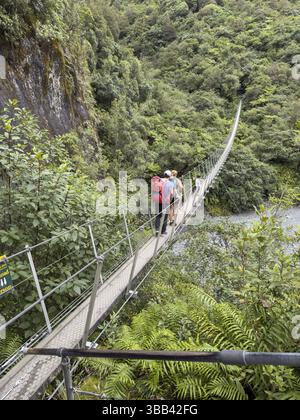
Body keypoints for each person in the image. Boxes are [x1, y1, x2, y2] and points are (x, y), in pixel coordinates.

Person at [152, 170, 174, 236]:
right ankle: (163, 231)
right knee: (165, 216)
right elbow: (172, 193)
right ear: (169, 176)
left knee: (158, 216)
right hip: (165, 201)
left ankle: (157, 230)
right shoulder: (170, 183)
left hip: (157, 200)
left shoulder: (158, 181)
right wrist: (170, 200)